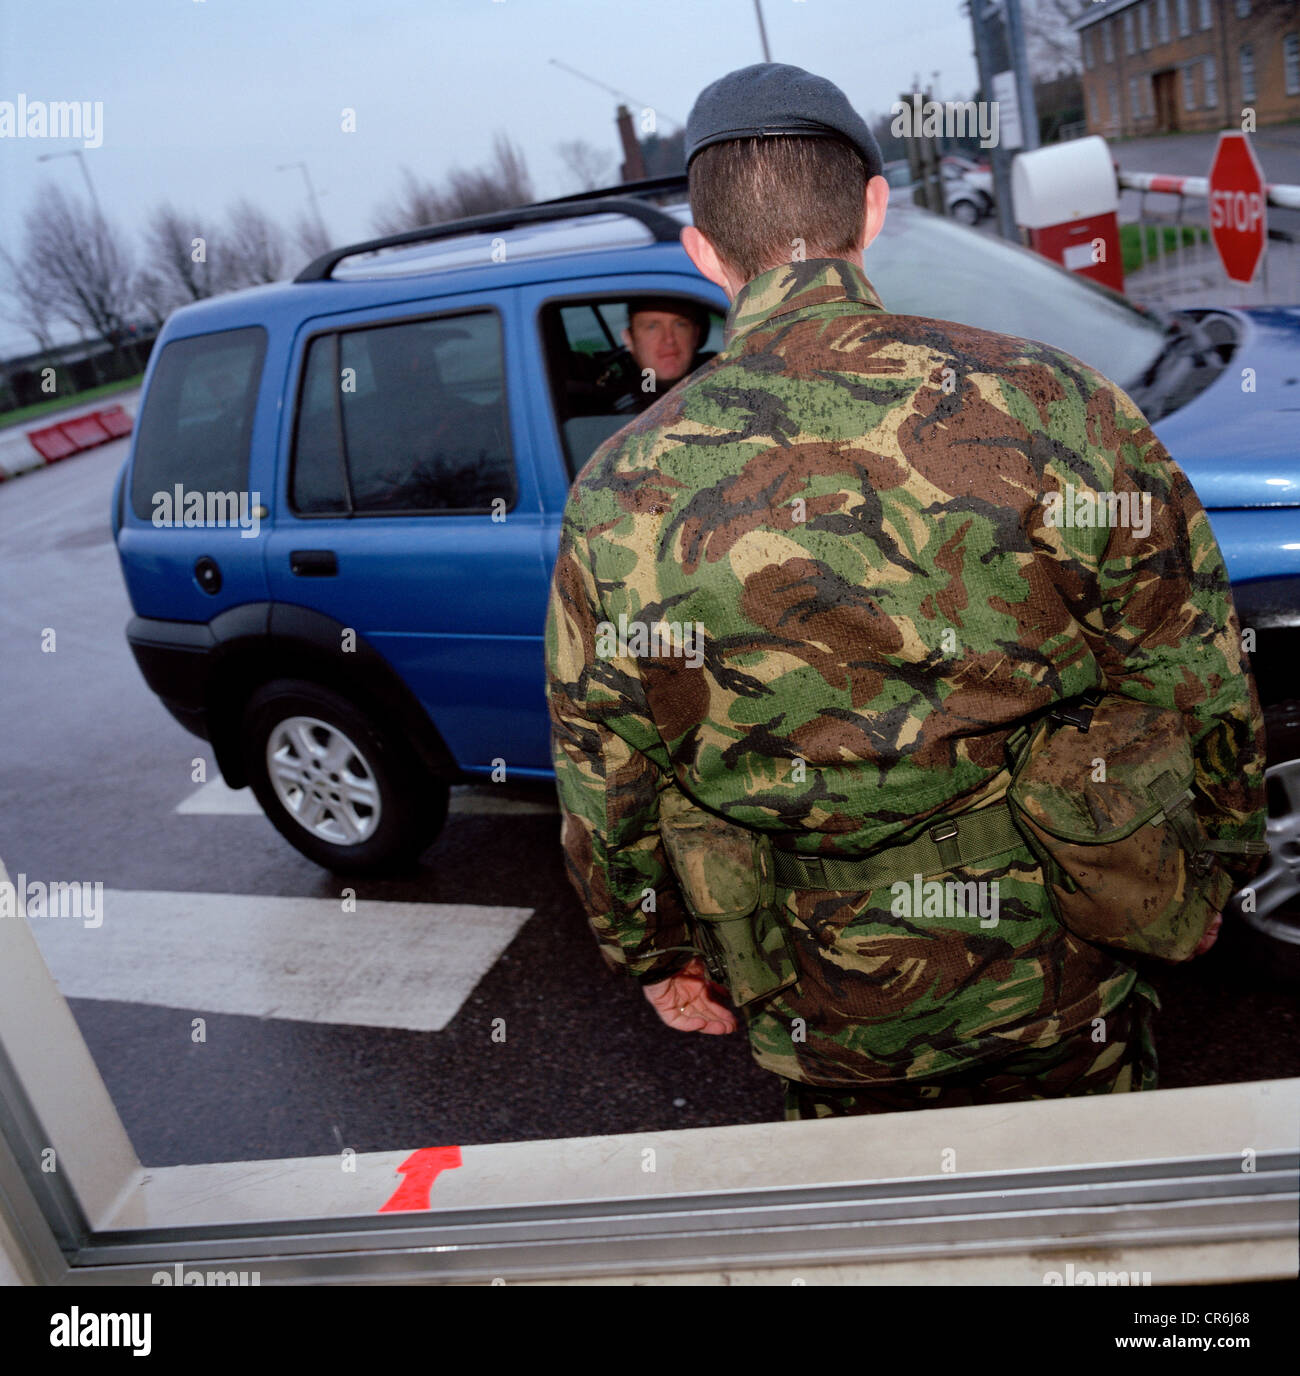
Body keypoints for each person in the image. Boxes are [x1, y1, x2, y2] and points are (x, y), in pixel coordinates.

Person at [544, 62, 1268, 1120]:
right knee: (1095, 1220)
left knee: (881, 1238)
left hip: (819, 998)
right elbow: (1192, 667)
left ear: (700, 251)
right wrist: (1211, 867)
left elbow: (604, 777)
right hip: (1062, 966)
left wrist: (650, 951)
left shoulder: (618, 493)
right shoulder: (1054, 402)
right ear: (872, 211)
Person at [591, 297, 711, 415]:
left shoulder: (723, 383)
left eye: (680, 324)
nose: (669, 339)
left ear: (696, 335)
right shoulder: (610, 413)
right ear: (629, 340)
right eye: (652, 327)